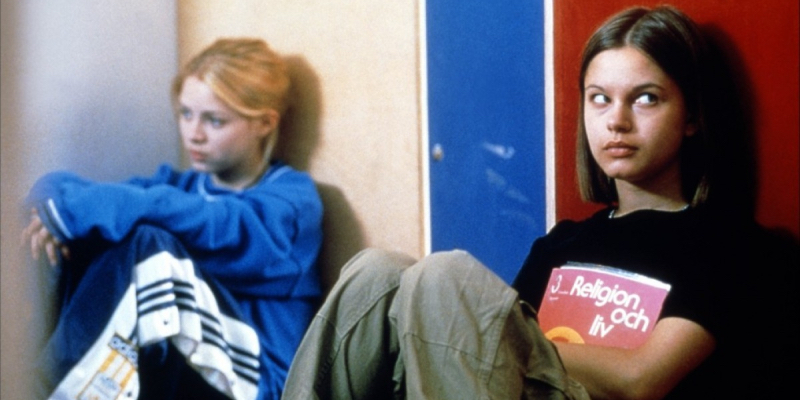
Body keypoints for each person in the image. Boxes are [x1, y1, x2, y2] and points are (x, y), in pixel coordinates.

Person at [280, 6, 797, 400]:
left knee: (444, 277)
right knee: (378, 272)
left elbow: (642, 379)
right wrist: (495, 337)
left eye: (645, 98)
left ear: (692, 117)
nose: (616, 121)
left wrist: (518, 342)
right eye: (599, 98)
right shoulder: (564, 243)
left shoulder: (731, 245)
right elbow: (478, 358)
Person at [22, 38, 323, 400]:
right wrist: (53, 210)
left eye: (214, 120)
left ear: (264, 124)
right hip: (189, 364)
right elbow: (66, 190)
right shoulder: (180, 186)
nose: (194, 134)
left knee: (148, 246)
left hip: (259, 380)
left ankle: (42, 391)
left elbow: (217, 225)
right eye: (185, 113)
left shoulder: (292, 203)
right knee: (79, 233)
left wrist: (89, 209)